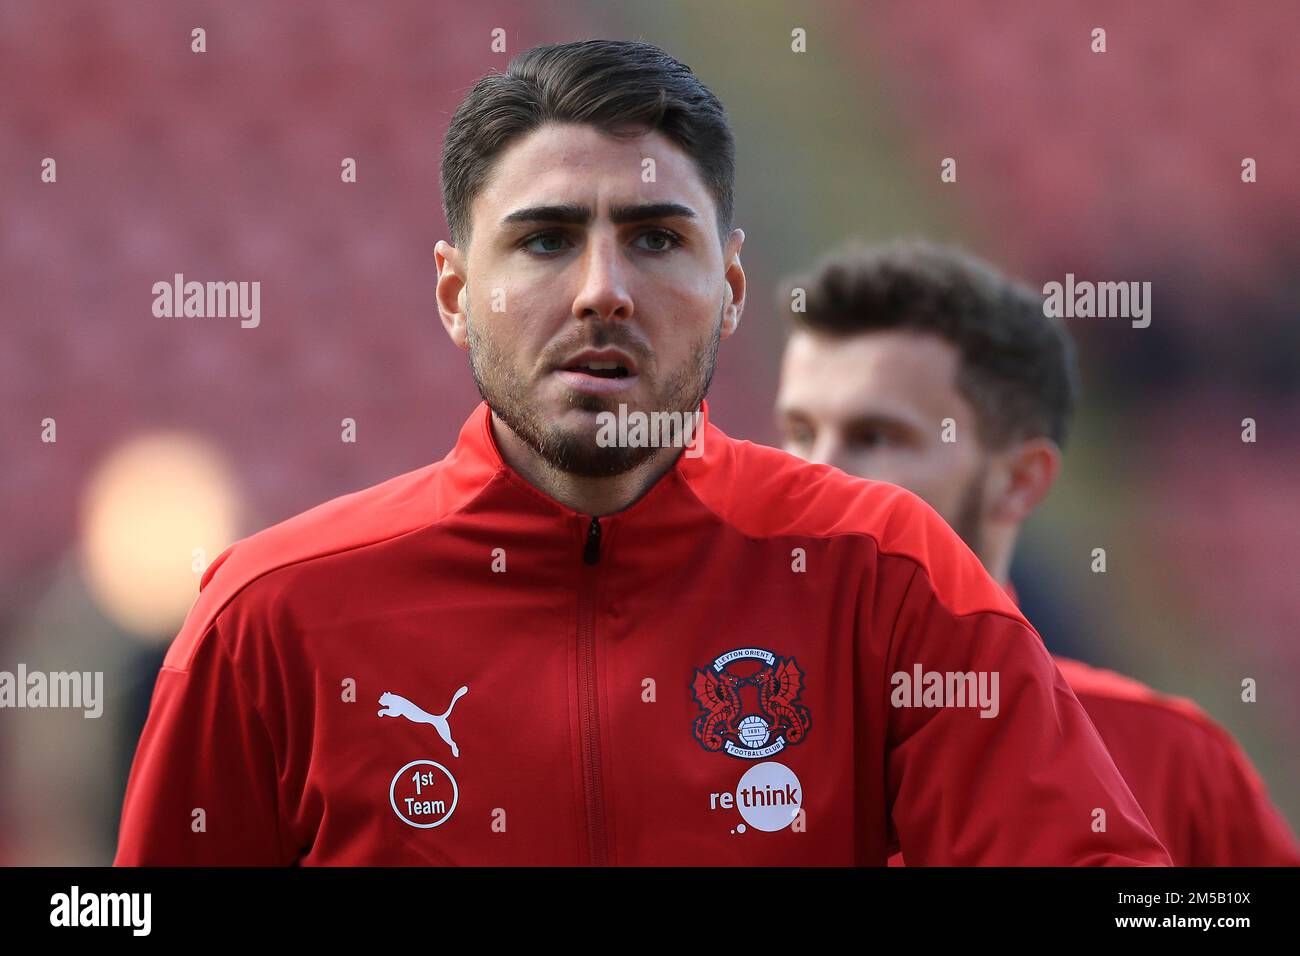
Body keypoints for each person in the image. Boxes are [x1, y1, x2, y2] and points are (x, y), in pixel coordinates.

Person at [114, 40, 1169, 866]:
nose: (601, 289)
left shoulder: (885, 571)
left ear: (734, 290)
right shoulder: (273, 613)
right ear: (453, 294)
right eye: (544, 239)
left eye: (658, 237)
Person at [775, 238, 1300, 866]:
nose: (815, 474)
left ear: (1019, 481)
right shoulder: (677, 728)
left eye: (877, 437)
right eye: (800, 432)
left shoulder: (1170, 763)